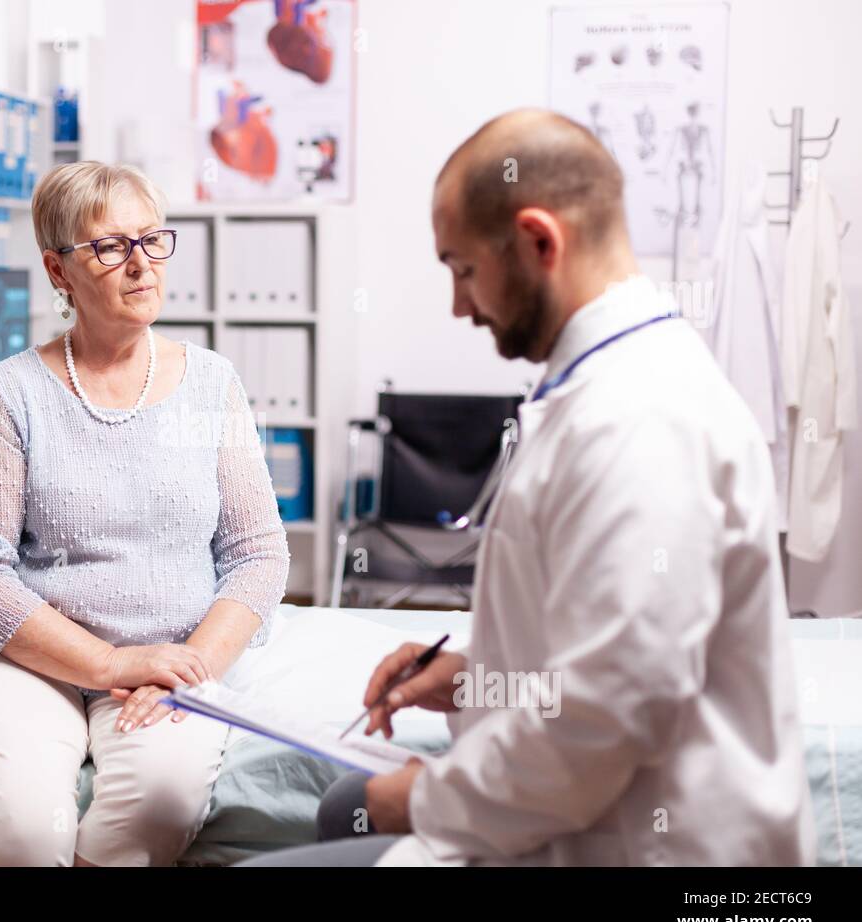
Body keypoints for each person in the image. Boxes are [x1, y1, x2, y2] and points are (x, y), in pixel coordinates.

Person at [240, 108, 814, 867]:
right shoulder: (599, 387)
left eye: (463, 270)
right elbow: (587, 647)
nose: (459, 306)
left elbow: (605, 716)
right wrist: (476, 681)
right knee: (346, 807)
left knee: (335, 825)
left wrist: (418, 799)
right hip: (567, 816)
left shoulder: (638, 421)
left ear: (541, 241)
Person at [0, 161, 290, 866]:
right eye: (109, 247)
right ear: (58, 271)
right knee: (26, 834)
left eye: (151, 240)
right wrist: (107, 662)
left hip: (172, 660)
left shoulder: (212, 383)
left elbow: (258, 554)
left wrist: (188, 666)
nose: (140, 265)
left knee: (154, 807)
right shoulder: (13, 392)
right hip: (32, 662)